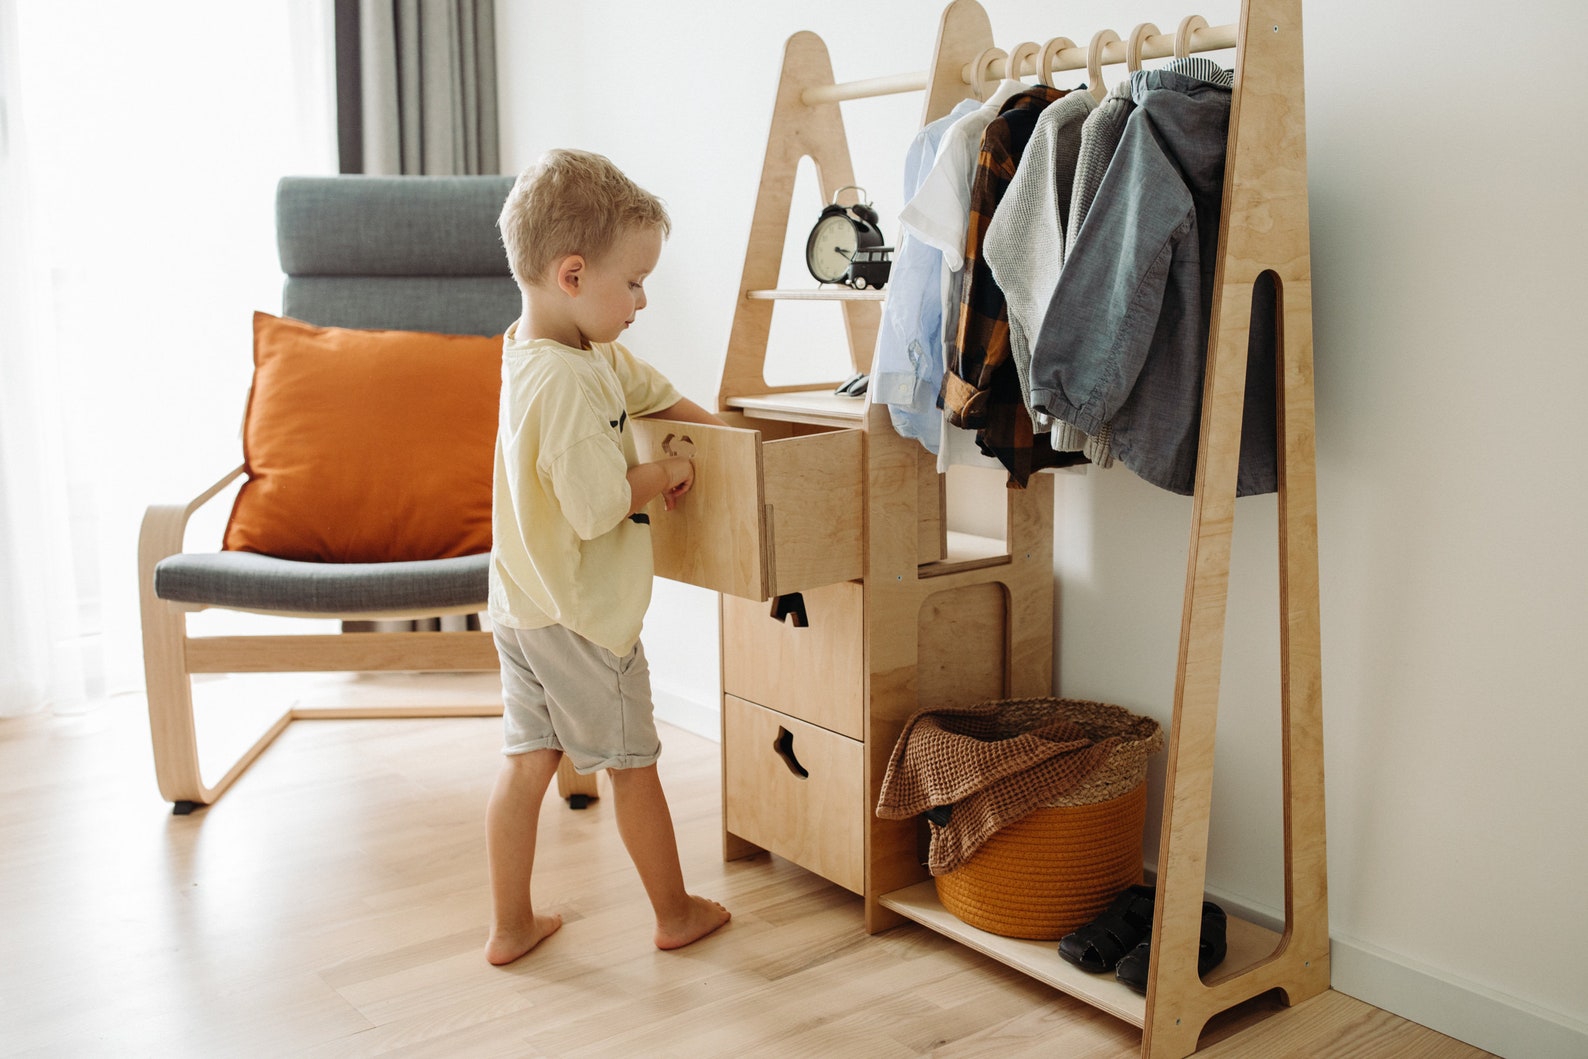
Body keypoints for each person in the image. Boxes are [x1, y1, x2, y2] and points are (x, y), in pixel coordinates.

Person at [484, 148, 730, 966]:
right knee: (633, 764)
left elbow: (650, 388)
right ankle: (675, 909)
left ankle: (511, 924)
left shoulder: (552, 348)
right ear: (574, 274)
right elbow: (595, 506)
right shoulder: (563, 385)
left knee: (527, 762)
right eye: (634, 282)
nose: (644, 298)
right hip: (584, 617)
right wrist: (665, 475)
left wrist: (734, 438)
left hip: (523, 604)